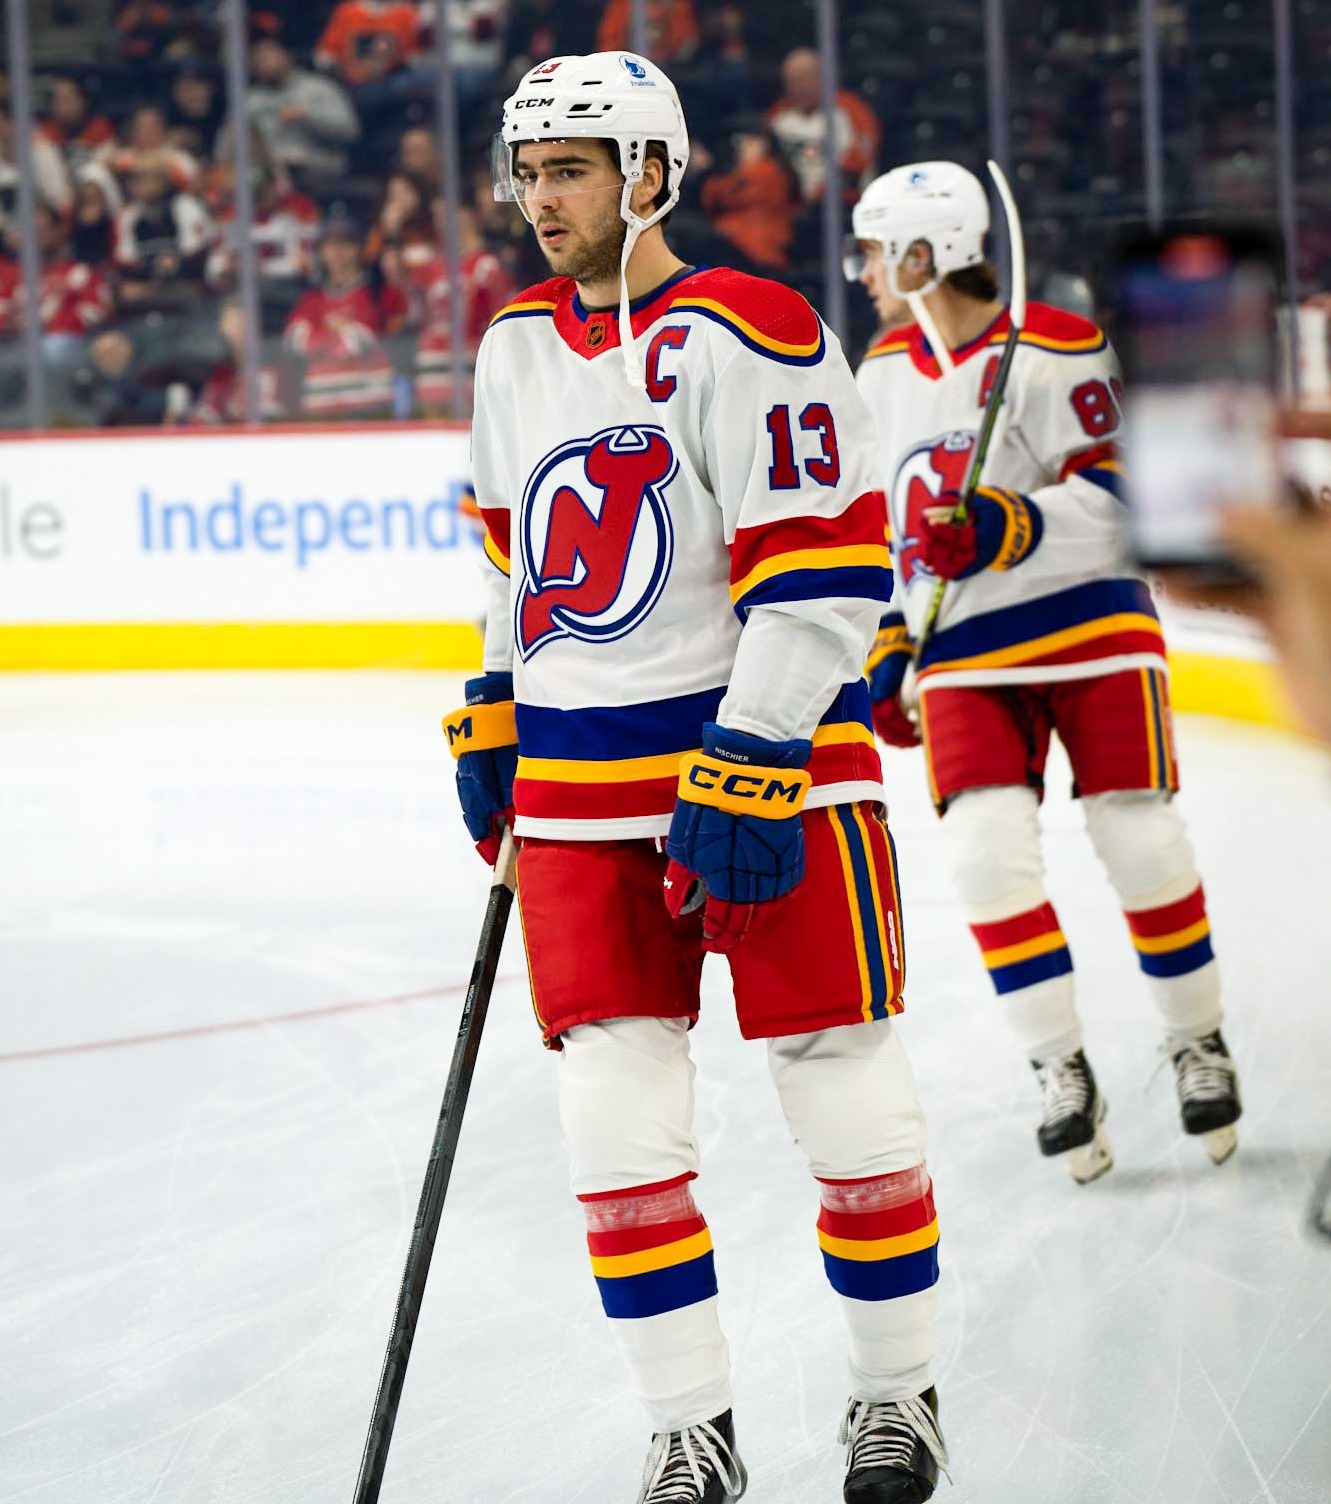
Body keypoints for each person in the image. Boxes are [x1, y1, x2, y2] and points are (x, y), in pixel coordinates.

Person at [447, 51, 947, 1504]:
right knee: (610, 1118)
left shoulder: (754, 324)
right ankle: (686, 1425)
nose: (539, 199)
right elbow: (510, 564)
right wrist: (491, 705)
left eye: (570, 169)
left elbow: (823, 573)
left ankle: (893, 1396)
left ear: (649, 173)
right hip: (577, 789)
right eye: (527, 171)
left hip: (770, 772)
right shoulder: (509, 345)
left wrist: (756, 743)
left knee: (840, 1082)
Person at [847, 161, 1242, 1182]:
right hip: (964, 653)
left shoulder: (1059, 348)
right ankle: (1058, 1066)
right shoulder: (879, 371)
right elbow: (891, 534)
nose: (861, 272)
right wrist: (892, 639)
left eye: (874, 248)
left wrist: (1006, 521)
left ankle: (1196, 1040)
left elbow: (1123, 501)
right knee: (983, 859)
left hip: (1090, 626)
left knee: (1139, 839)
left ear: (924, 252)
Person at [766, 48, 880, 207]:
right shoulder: (777, 115)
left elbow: (860, 160)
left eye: (804, 78)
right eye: (792, 80)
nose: (799, 86)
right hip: (795, 207)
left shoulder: (852, 110)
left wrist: (821, 191)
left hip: (844, 203)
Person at [248, 36, 361, 190]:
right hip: (268, 175)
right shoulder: (249, 101)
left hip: (316, 169)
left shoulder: (319, 89)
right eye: (259, 59)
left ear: (286, 56)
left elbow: (350, 131)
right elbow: (229, 141)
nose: (265, 63)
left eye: (269, 56)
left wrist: (307, 117)